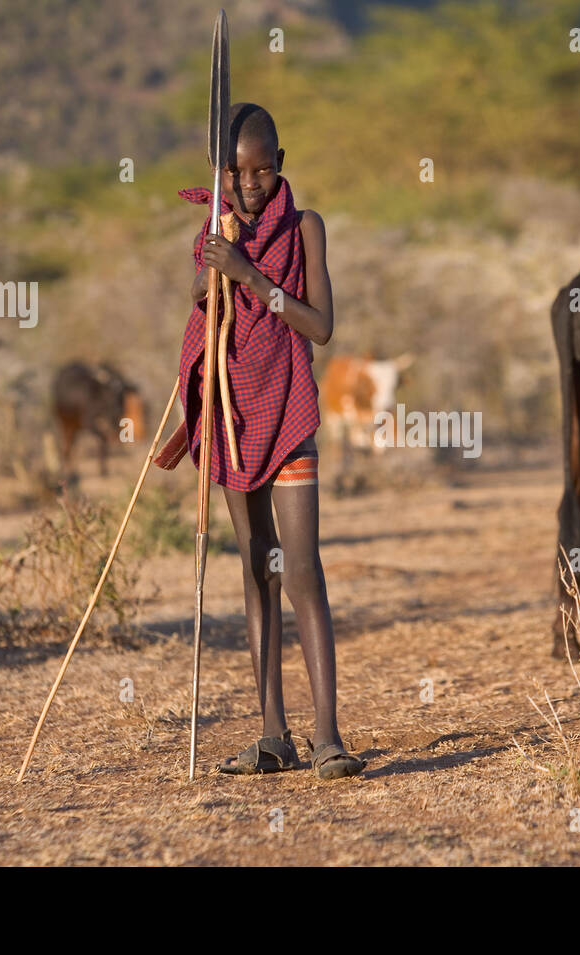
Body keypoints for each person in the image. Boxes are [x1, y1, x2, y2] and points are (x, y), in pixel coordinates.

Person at [155, 102, 364, 779]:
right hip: (232, 420)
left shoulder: (306, 228)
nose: (251, 185)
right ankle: (273, 735)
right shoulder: (211, 234)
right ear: (219, 173)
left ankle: (328, 737)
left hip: (291, 416)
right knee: (255, 570)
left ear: (282, 162)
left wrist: (250, 278)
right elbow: (199, 297)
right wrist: (210, 274)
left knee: (302, 571)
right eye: (236, 173)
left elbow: (320, 326)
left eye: (264, 169)